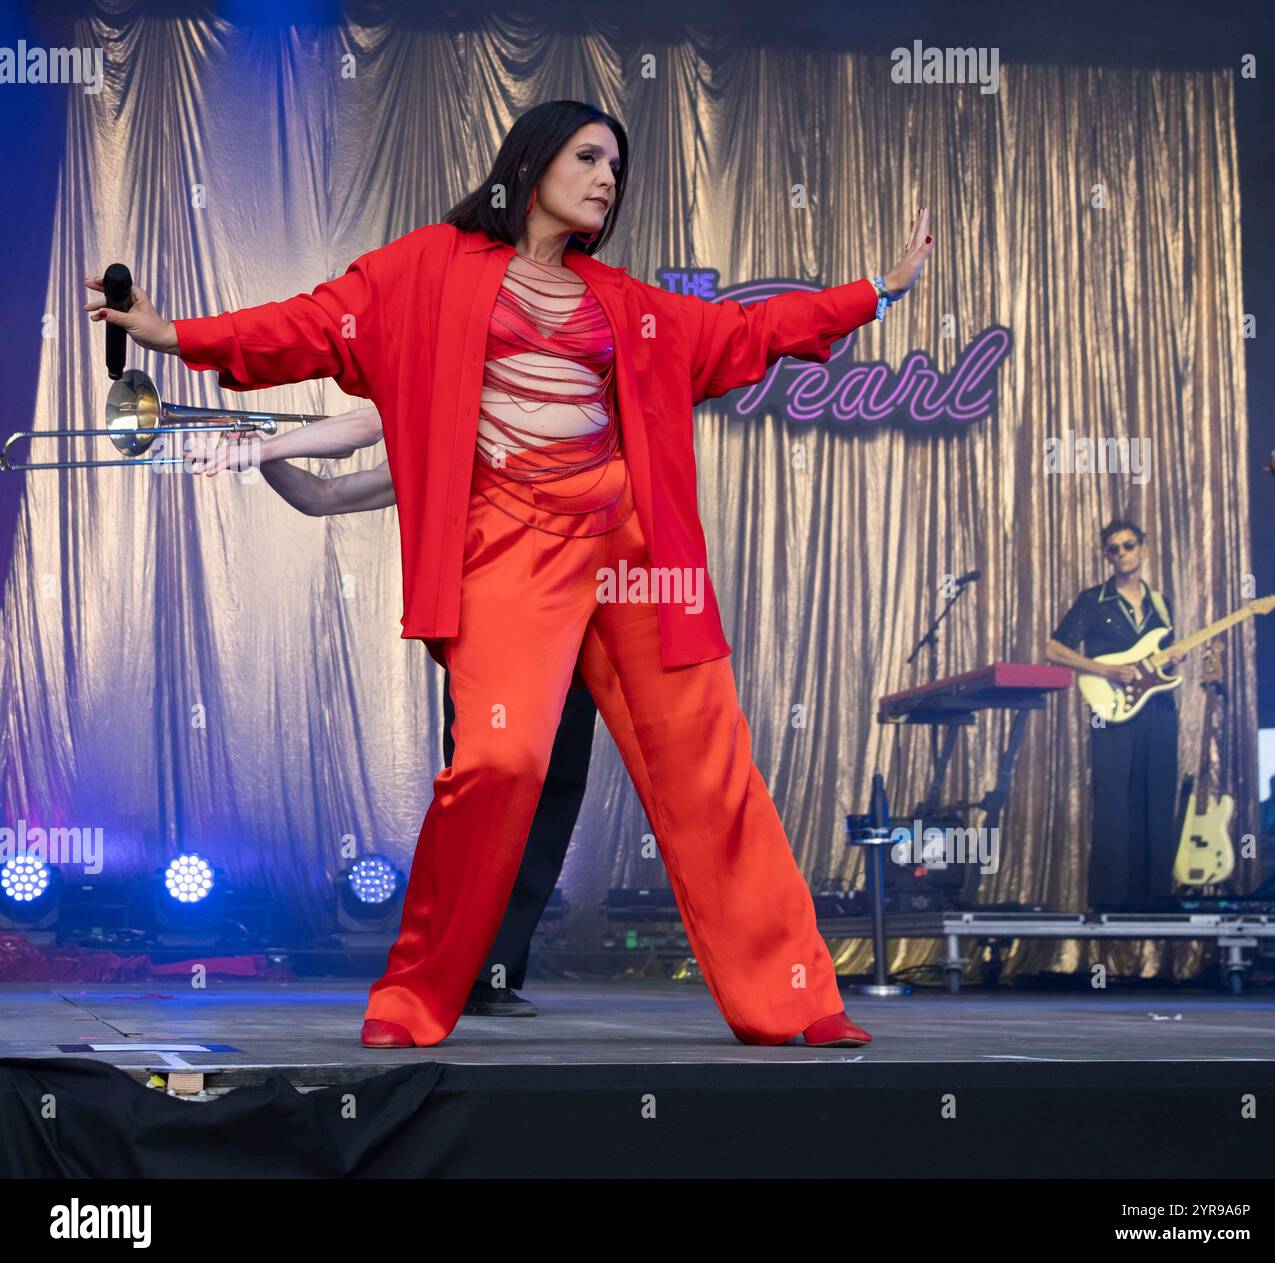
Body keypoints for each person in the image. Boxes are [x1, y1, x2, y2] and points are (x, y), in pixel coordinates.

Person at [84, 98, 935, 1048]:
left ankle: (795, 1000)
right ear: (531, 165)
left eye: (618, 162)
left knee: (711, 768)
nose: (608, 177)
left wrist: (876, 291)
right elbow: (315, 323)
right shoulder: (429, 269)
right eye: (588, 156)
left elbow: (751, 332)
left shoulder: (629, 305)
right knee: (499, 760)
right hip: (512, 549)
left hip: (633, 554)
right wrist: (174, 337)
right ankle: (414, 994)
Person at [189, 409, 593, 1018]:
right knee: (481, 804)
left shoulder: (572, 441)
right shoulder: (449, 443)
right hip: (496, 649)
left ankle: (493, 974)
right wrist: (265, 453)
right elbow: (323, 495)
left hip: (576, 637)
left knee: (551, 806)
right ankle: (456, 970)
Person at [1045, 517, 1186, 909]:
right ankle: (1110, 903)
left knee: (1157, 800)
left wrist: (1174, 661)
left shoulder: (1162, 603)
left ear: (1142, 547)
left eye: (1128, 545)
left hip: (1157, 709)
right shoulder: (1093, 600)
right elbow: (1053, 649)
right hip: (1111, 708)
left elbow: (1162, 668)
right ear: (1106, 556)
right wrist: (1104, 670)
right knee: (1113, 801)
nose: (1122, 553)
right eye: (1114, 548)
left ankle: (1156, 899)